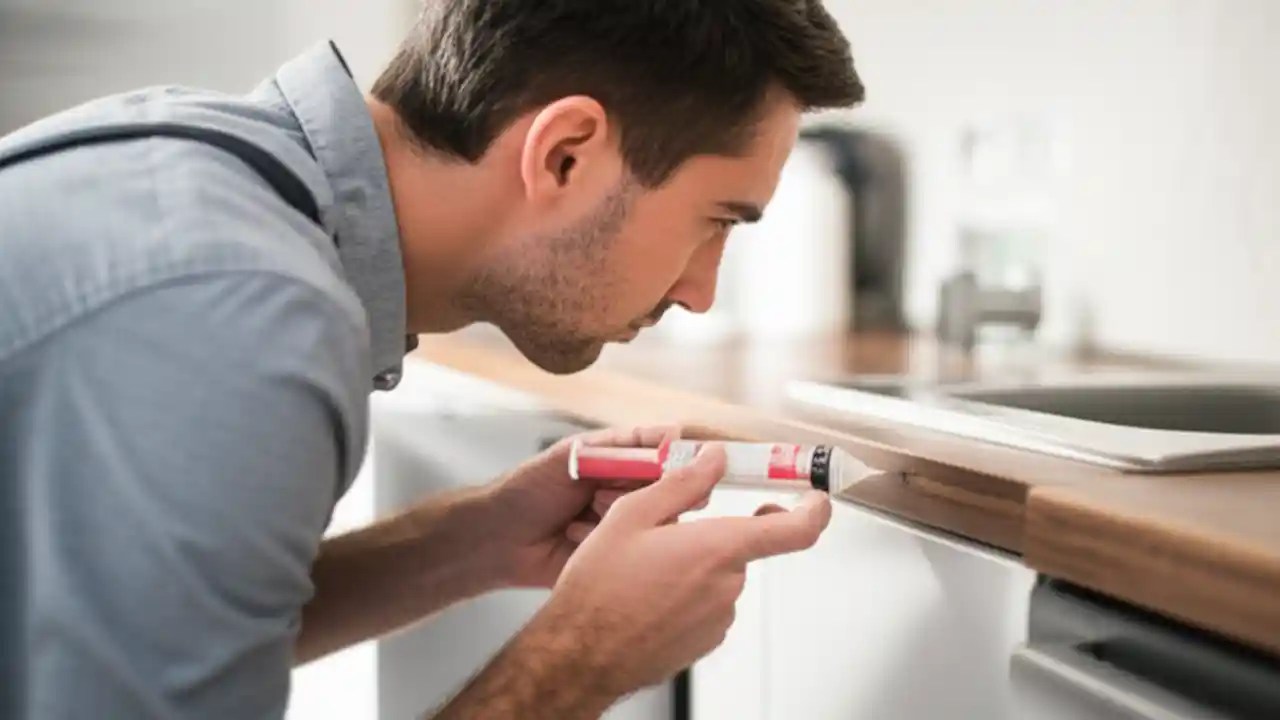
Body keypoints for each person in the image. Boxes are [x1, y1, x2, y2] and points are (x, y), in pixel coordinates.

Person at [0, 1, 864, 717]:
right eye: (718, 218)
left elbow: (169, 631)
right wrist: (584, 658)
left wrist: (473, 539)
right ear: (567, 154)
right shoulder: (245, 314)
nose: (702, 291)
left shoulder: (215, 180)